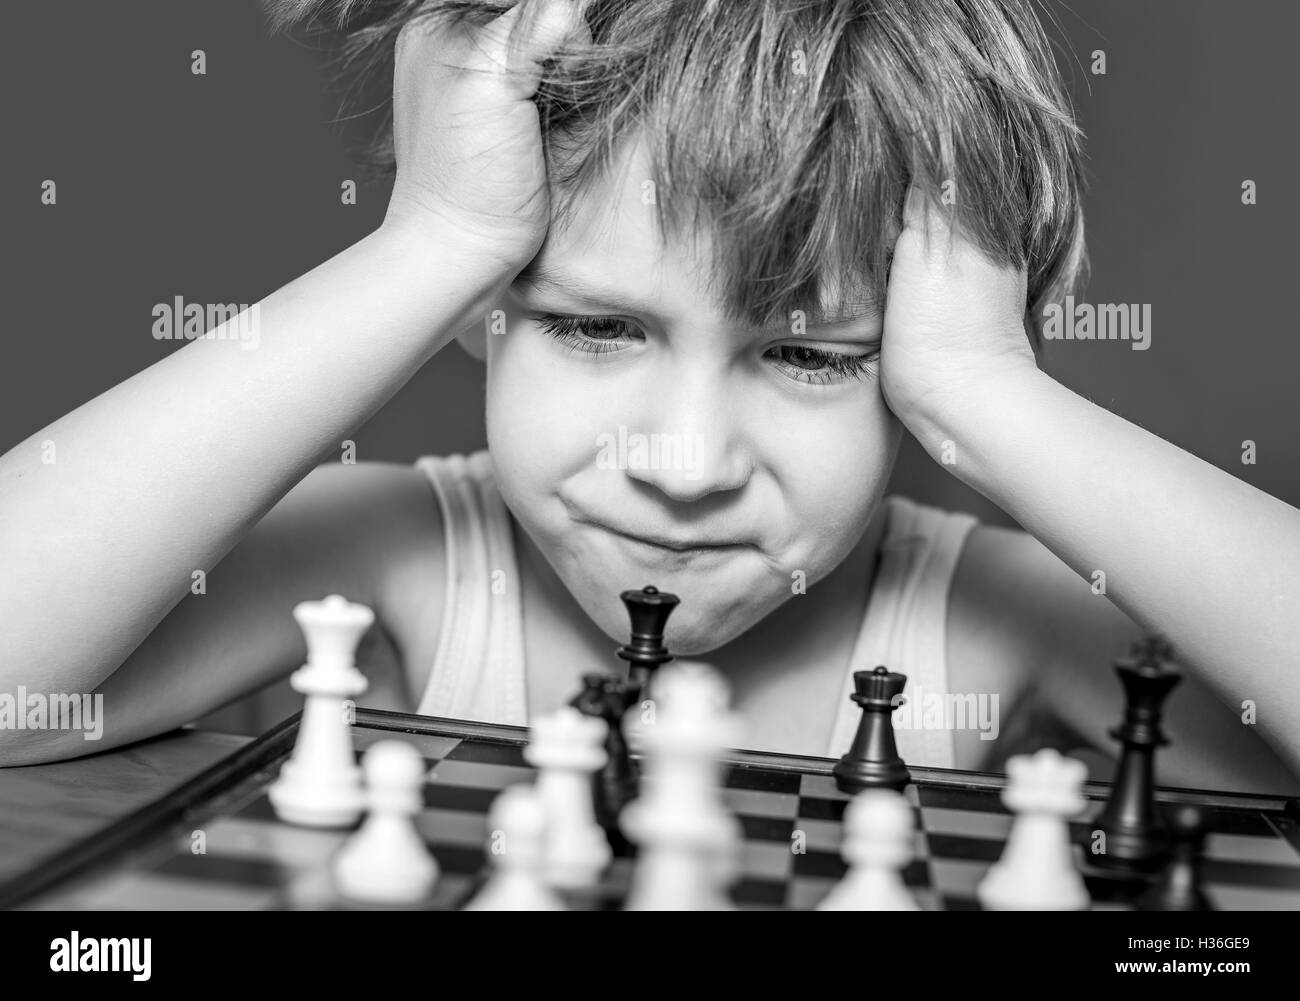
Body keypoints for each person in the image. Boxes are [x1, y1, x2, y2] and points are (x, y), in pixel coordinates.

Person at [2, 0, 1296, 794]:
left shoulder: (979, 614)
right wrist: (431, 241)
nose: (684, 460)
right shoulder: (403, 557)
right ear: (480, 310)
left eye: (811, 353)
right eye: (595, 325)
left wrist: (988, 391)